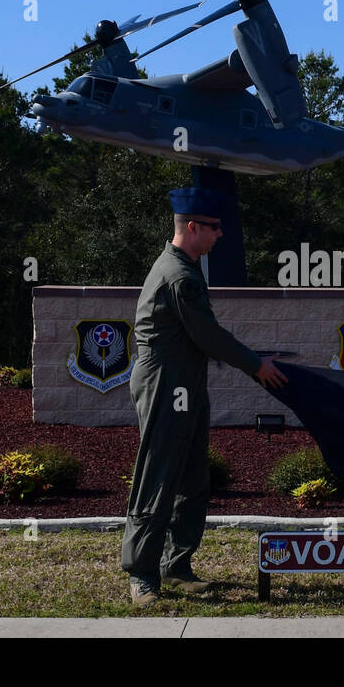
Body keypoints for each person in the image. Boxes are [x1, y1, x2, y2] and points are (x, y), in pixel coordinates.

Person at [121, 187, 287, 607]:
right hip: (165, 382)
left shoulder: (186, 268)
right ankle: (142, 575)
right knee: (158, 477)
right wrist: (255, 365)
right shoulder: (178, 275)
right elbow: (209, 336)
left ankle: (177, 566)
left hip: (184, 383)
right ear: (192, 227)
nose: (220, 235)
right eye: (213, 228)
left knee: (193, 478)